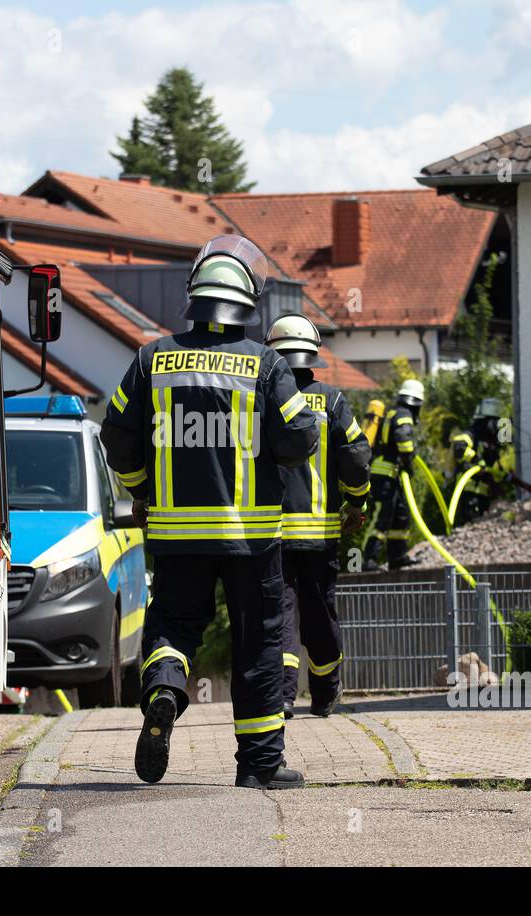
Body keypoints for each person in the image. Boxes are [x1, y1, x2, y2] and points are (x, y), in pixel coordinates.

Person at [100, 235, 320, 791]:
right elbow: (298, 438)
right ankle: (259, 766)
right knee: (259, 643)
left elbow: (117, 435)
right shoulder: (266, 365)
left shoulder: (153, 358)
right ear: (247, 302)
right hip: (251, 539)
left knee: (173, 626)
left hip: (174, 536)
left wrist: (142, 490)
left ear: (193, 297)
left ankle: (166, 692)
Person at [265, 315, 371, 719]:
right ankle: (325, 693)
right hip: (320, 535)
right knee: (320, 612)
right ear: (312, 356)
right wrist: (356, 503)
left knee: (279, 614)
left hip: (269, 533)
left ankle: (283, 696)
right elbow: (357, 457)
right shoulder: (331, 400)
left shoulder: (261, 399)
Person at [363, 379, 425, 571]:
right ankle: (367, 559)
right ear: (416, 403)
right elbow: (403, 440)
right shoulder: (404, 415)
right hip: (385, 475)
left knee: (401, 515)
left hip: (390, 474)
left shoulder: (392, 412)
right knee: (383, 517)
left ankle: (397, 557)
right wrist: (409, 462)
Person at [448, 398, 531, 524]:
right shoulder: (474, 433)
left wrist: (524, 485)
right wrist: (476, 459)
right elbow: (459, 446)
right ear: (491, 421)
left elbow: (500, 471)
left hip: (483, 492)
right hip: (468, 488)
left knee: (482, 522)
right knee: (469, 522)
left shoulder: (493, 442)